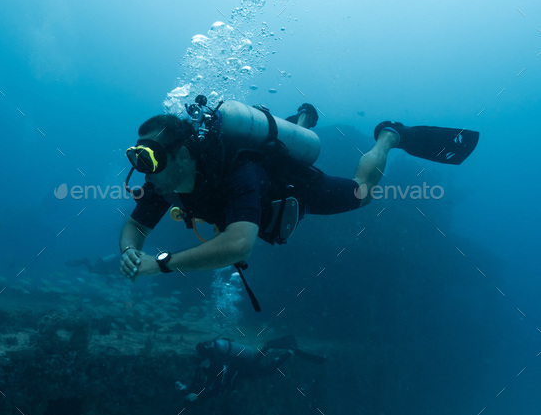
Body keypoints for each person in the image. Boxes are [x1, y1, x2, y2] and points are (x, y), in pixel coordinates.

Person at [118, 103, 478, 300]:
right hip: (249, 187)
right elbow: (136, 226)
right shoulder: (161, 179)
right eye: (137, 157)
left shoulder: (239, 171)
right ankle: (302, 120)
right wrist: (130, 251)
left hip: (289, 185)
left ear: (181, 154)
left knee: (362, 193)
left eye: (150, 158)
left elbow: (238, 244)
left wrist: (159, 264)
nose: (143, 170)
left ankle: (389, 136)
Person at [175, 335, 326, 402]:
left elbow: (216, 388)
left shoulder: (215, 366)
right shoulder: (203, 369)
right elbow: (197, 386)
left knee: (267, 370)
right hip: (238, 366)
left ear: (206, 359)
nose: (196, 363)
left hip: (240, 368)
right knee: (254, 362)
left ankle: (289, 353)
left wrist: (198, 396)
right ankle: (267, 346)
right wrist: (184, 388)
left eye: (198, 360)